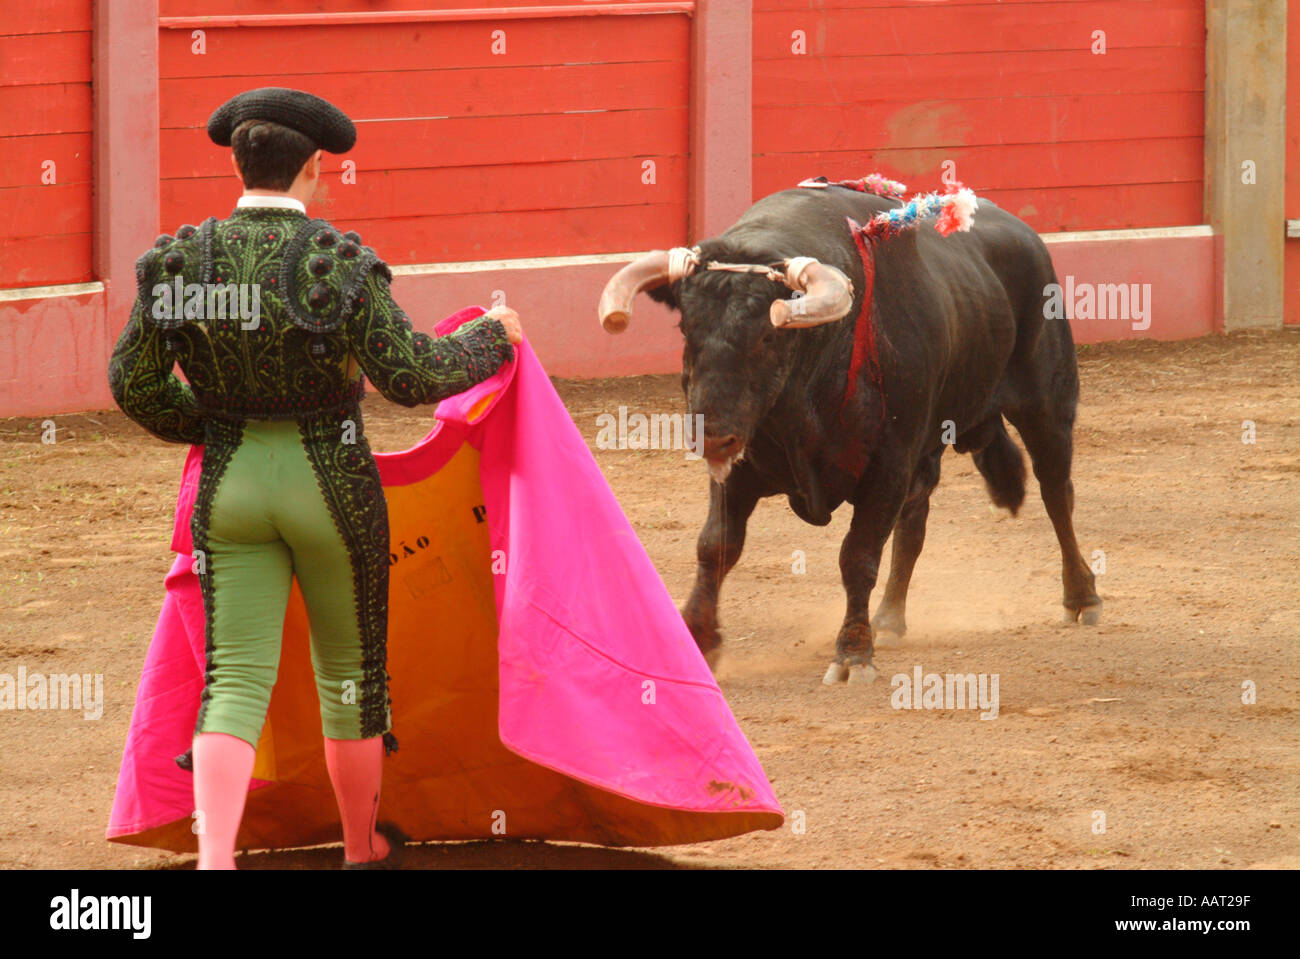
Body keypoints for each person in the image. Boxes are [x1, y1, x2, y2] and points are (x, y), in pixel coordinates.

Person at [108, 87, 523, 869]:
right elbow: (409, 373)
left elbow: (133, 382)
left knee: (233, 676)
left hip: (231, 486)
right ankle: (360, 845)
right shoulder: (334, 262)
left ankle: (217, 855)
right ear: (314, 168)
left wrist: (209, 423)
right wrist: (487, 341)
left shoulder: (182, 263)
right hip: (330, 481)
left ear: (239, 162)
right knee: (349, 675)